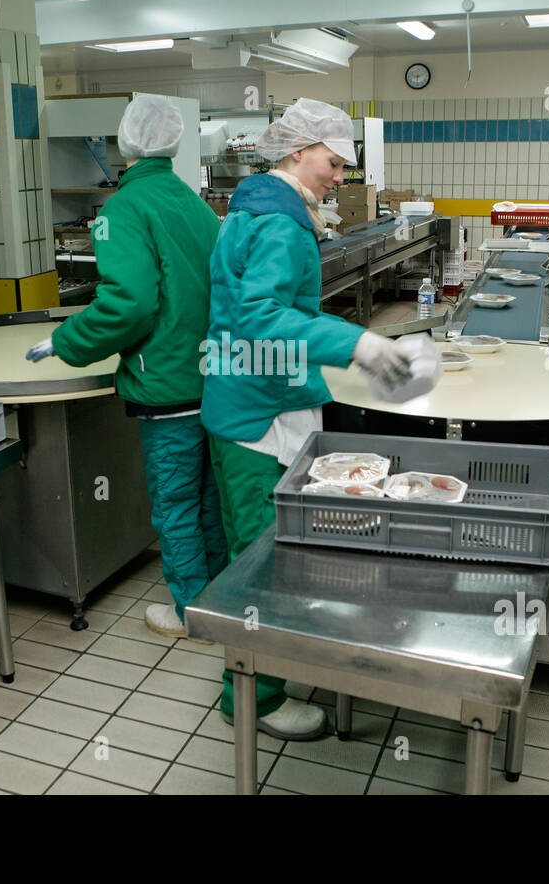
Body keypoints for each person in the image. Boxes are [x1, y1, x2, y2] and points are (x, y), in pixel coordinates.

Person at [202, 98, 415, 740]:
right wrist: (357, 345)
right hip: (253, 415)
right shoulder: (279, 224)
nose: (339, 174)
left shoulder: (259, 207)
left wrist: (346, 339)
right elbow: (260, 319)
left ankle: (270, 667)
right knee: (256, 561)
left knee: (264, 553)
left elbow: (270, 315)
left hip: (257, 395)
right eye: (332, 160)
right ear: (297, 150)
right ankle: (253, 701)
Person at [25, 94, 228, 637]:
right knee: (208, 498)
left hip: (164, 387)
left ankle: (189, 612)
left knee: (176, 505)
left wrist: (68, 341)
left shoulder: (125, 207)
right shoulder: (195, 205)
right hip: (209, 378)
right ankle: (219, 599)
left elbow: (130, 303)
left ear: (125, 142)